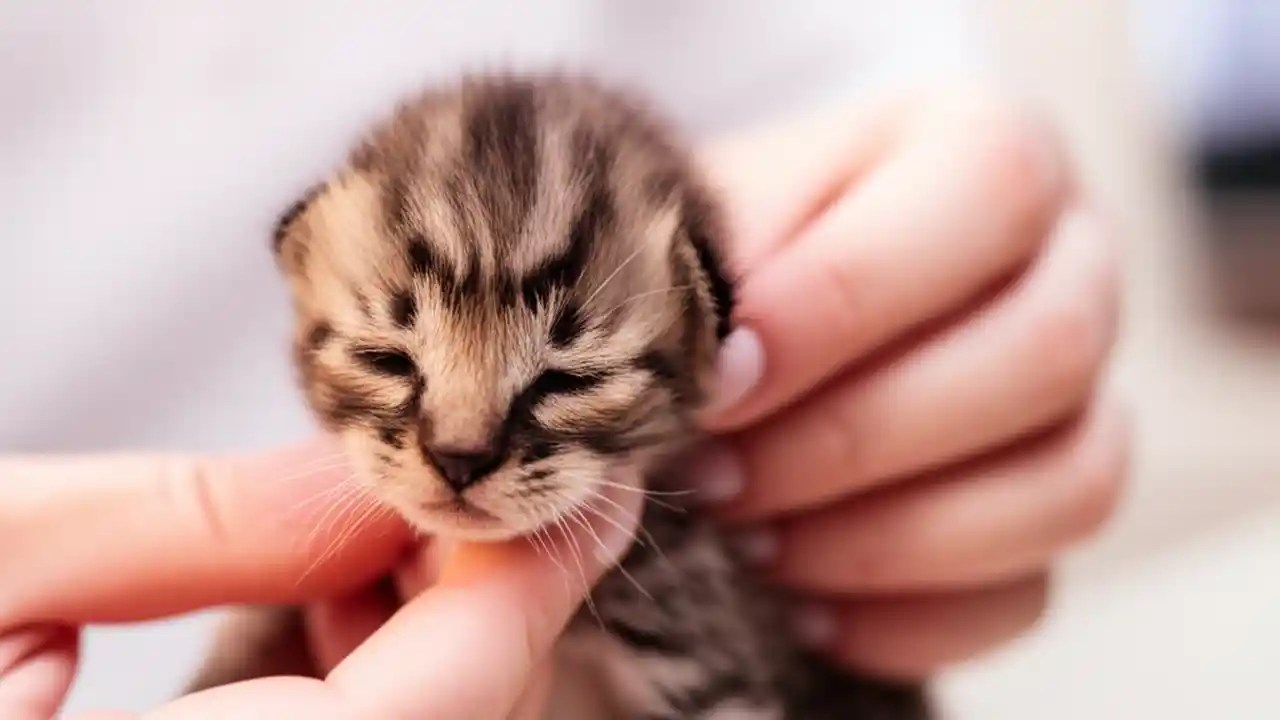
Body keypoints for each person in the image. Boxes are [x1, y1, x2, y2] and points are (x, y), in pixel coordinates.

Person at [0, 83, 1125, 718]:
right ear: (302, 289)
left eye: (564, 377)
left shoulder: (669, 557)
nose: (458, 444)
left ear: (697, 348)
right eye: (390, 361)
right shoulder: (308, 564)